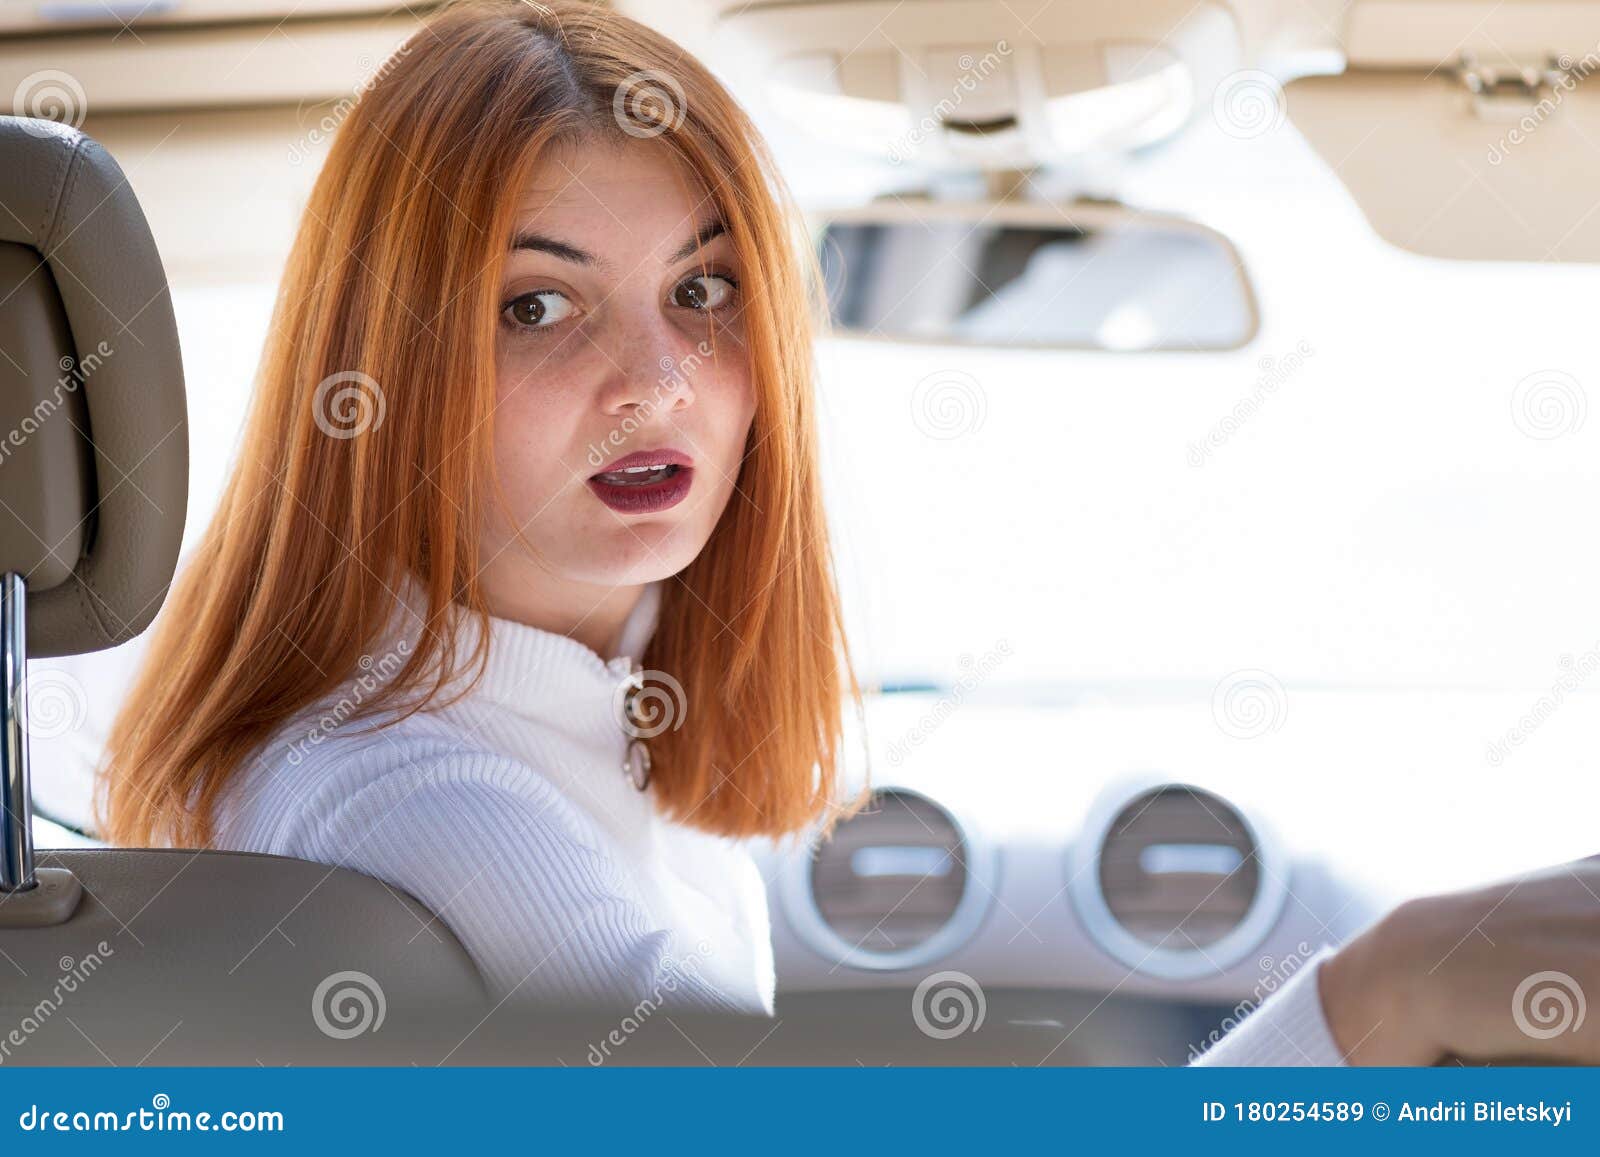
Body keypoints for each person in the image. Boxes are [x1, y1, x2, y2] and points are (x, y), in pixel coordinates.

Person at [97, 0, 1600, 1064]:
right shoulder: (419, 798)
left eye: (704, 290)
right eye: (537, 304)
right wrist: (1381, 995)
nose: (658, 382)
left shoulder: (517, 735)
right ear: (385, 359)